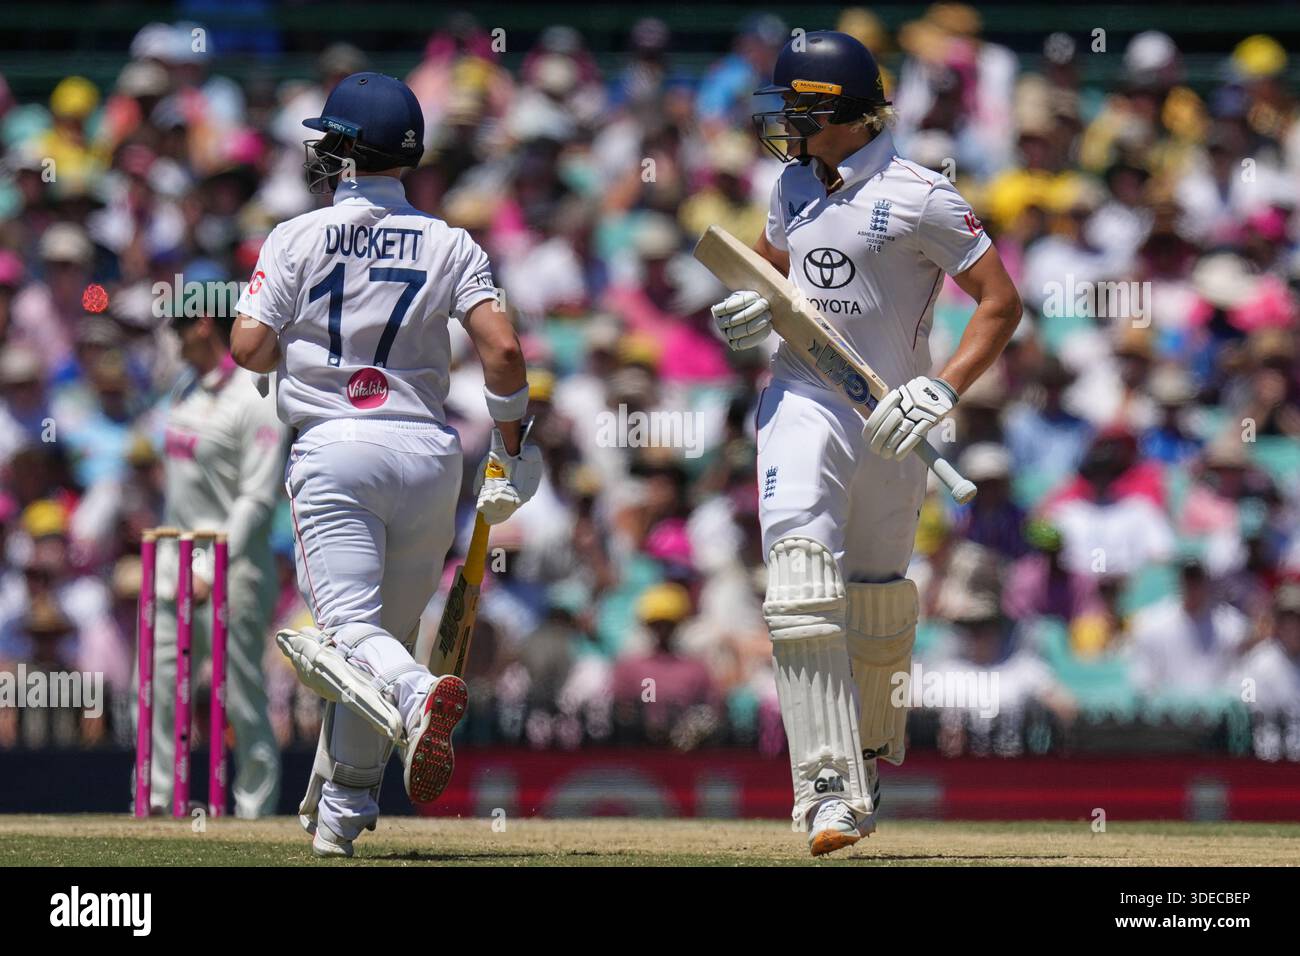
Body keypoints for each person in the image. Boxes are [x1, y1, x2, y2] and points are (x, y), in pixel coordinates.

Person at [710, 31, 1021, 855]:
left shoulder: (923, 195)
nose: (784, 123)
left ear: (844, 110)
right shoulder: (789, 184)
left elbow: (1000, 302)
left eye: (799, 107)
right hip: (804, 398)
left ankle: (869, 764)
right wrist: (748, 310)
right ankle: (823, 791)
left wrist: (941, 387)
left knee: (879, 599)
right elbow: (775, 282)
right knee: (800, 576)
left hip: (893, 415)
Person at [230, 72, 540, 857]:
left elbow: (246, 348)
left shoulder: (296, 235)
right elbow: (502, 351)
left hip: (335, 448)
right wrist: (510, 439)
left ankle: (416, 695)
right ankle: (342, 820)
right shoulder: (451, 241)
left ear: (342, 151)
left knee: (348, 638)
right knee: (385, 635)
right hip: (430, 455)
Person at [145, 308, 287, 817]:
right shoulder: (184, 389)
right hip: (171, 565)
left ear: (203, 325)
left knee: (241, 695)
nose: (174, 340)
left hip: (236, 570)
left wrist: (209, 565)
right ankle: (161, 799)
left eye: (179, 329)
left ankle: (254, 808)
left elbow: (257, 497)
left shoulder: (257, 396)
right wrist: (174, 564)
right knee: (162, 689)